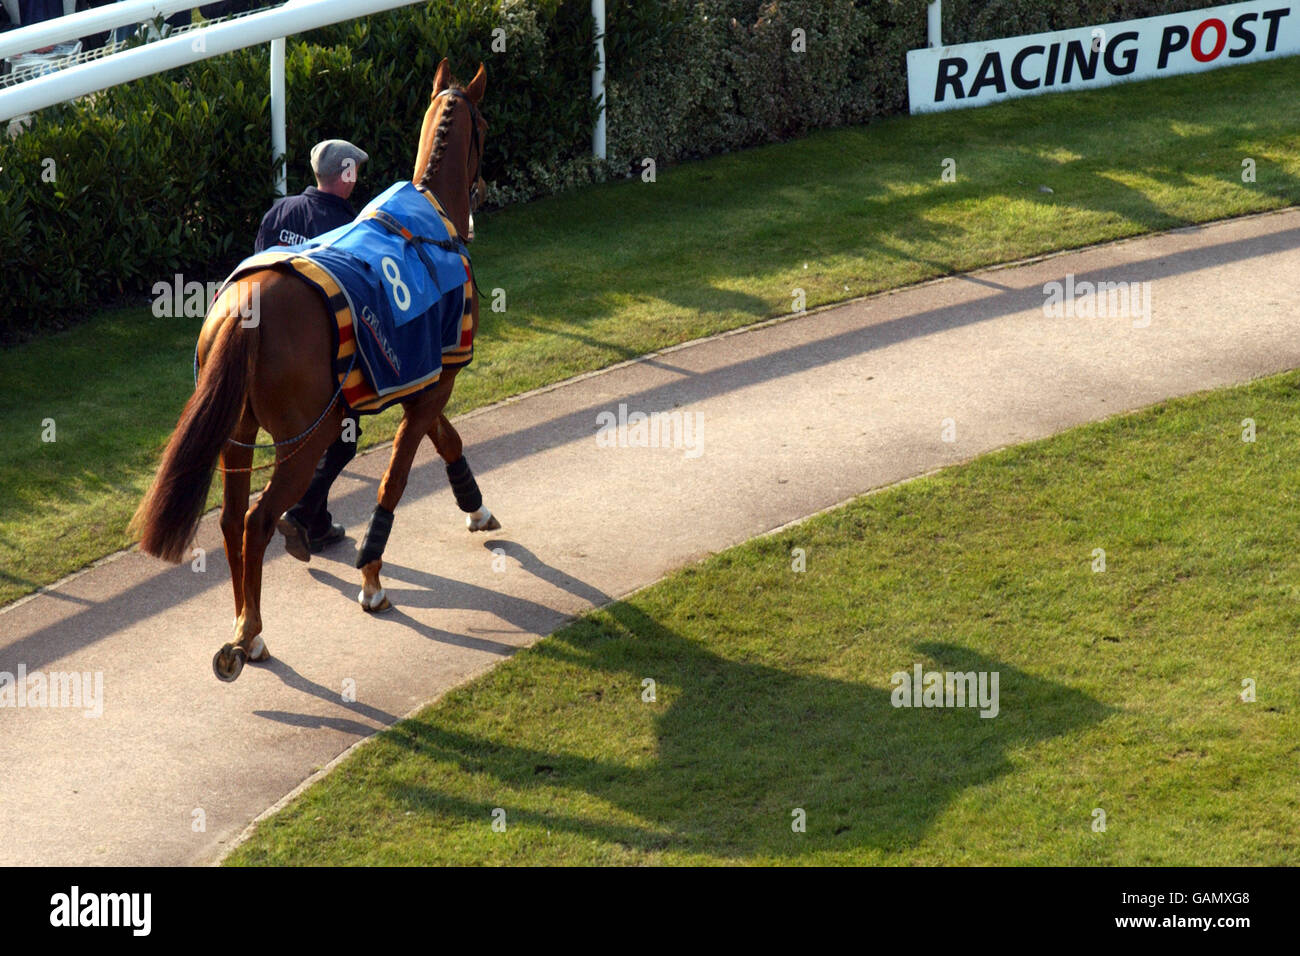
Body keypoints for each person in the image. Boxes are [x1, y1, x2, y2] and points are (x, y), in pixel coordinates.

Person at [254, 140, 370, 560]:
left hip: (263, 346)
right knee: (344, 438)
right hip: (322, 360)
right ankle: (301, 511)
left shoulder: (278, 212)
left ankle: (317, 524)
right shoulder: (349, 226)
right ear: (346, 175)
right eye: (354, 171)